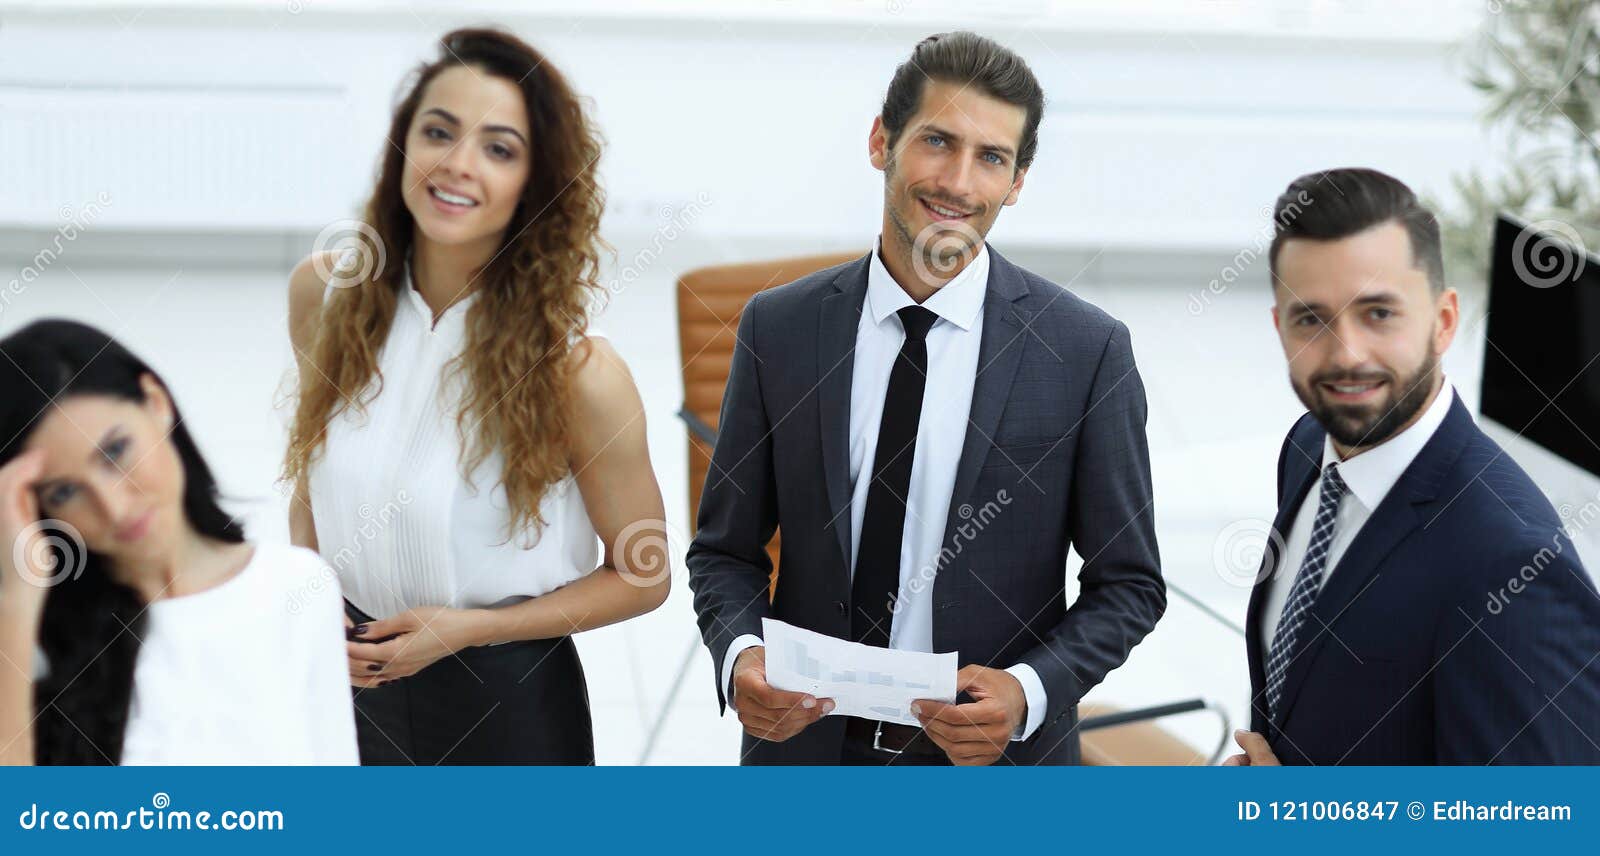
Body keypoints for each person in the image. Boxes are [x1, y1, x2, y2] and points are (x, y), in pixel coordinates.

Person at [686, 31, 1165, 765]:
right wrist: (742, 654)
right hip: (804, 753)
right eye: (937, 141)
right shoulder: (778, 328)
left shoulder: (1085, 350)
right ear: (881, 141)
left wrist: (1028, 691)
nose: (959, 183)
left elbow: (1128, 584)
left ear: (1017, 181)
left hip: (992, 768)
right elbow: (725, 551)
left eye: (992, 157)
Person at [283, 28, 669, 765]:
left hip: (504, 702)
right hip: (351, 677)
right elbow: (310, 477)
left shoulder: (579, 374)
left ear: (535, 182)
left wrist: (471, 629)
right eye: (438, 132)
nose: (458, 164)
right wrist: (315, 598)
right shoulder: (324, 294)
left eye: (499, 148)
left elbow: (643, 576)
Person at [1227, 167, 1600, 765]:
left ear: (1443, 321)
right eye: (1311, 318)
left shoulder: (1511, 562)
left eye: (1378, 313)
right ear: (1280, 327)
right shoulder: (1307, 447)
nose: (1347, 354)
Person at [0, 320, 356, 765]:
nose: (113, 507)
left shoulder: (297, 586)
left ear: (156, 403)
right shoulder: (28, 635)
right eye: (65, 492)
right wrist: (15, 603)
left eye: (115, 452)